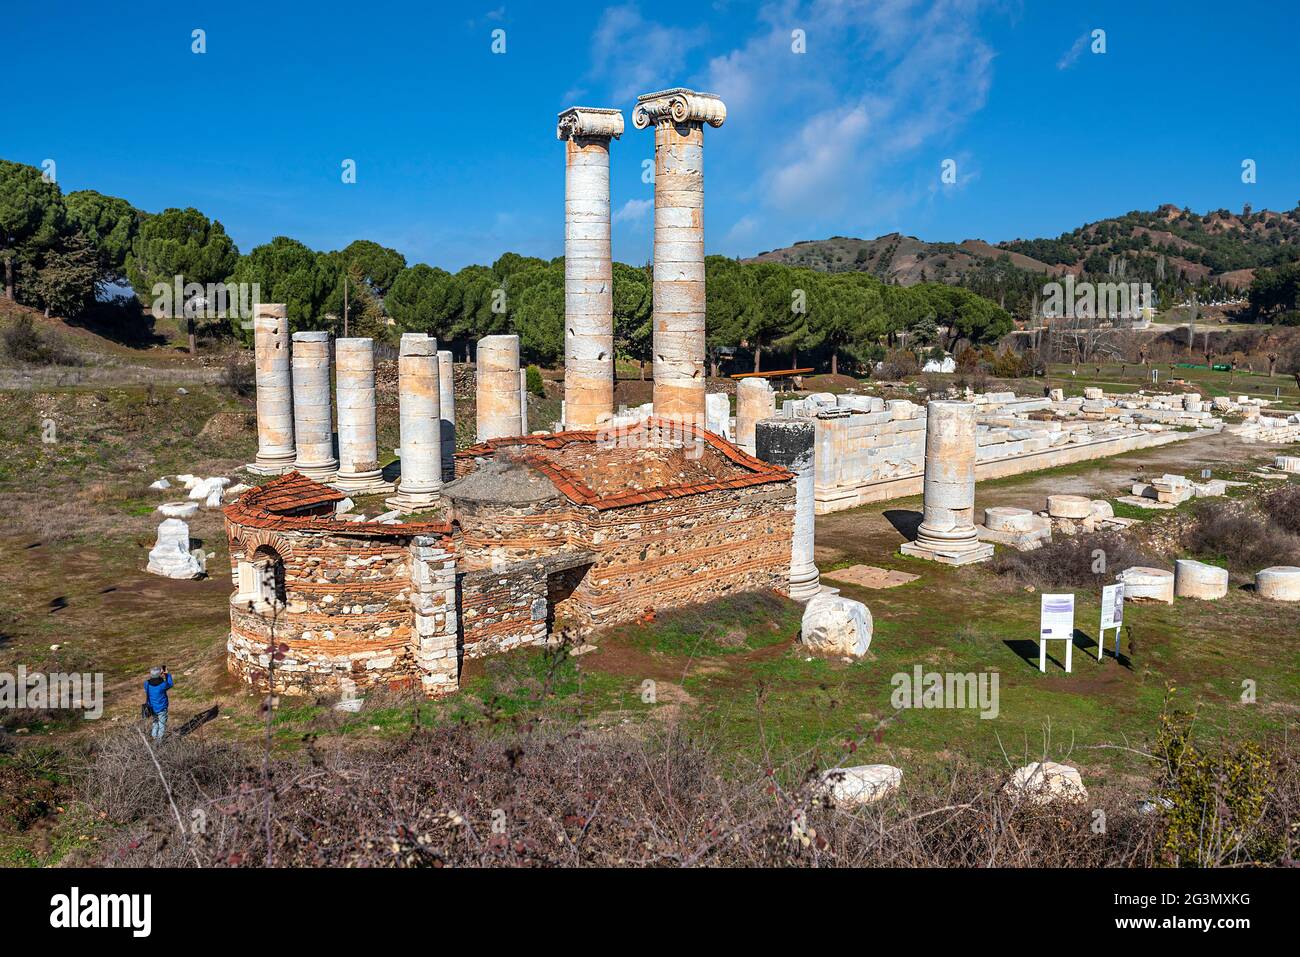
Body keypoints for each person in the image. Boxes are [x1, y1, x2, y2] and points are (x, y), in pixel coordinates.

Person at [145, 666, 174, 742]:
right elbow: (170, 684)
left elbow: (153, 682)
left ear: (151, 674)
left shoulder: (146, 684)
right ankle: (159, 741)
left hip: (152, 708)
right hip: (161, 708)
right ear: (160, 674)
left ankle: (153, 736)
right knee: (162, 724)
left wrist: (158, 675)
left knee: (155, 722)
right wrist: (166, 674)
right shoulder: (162, 685)